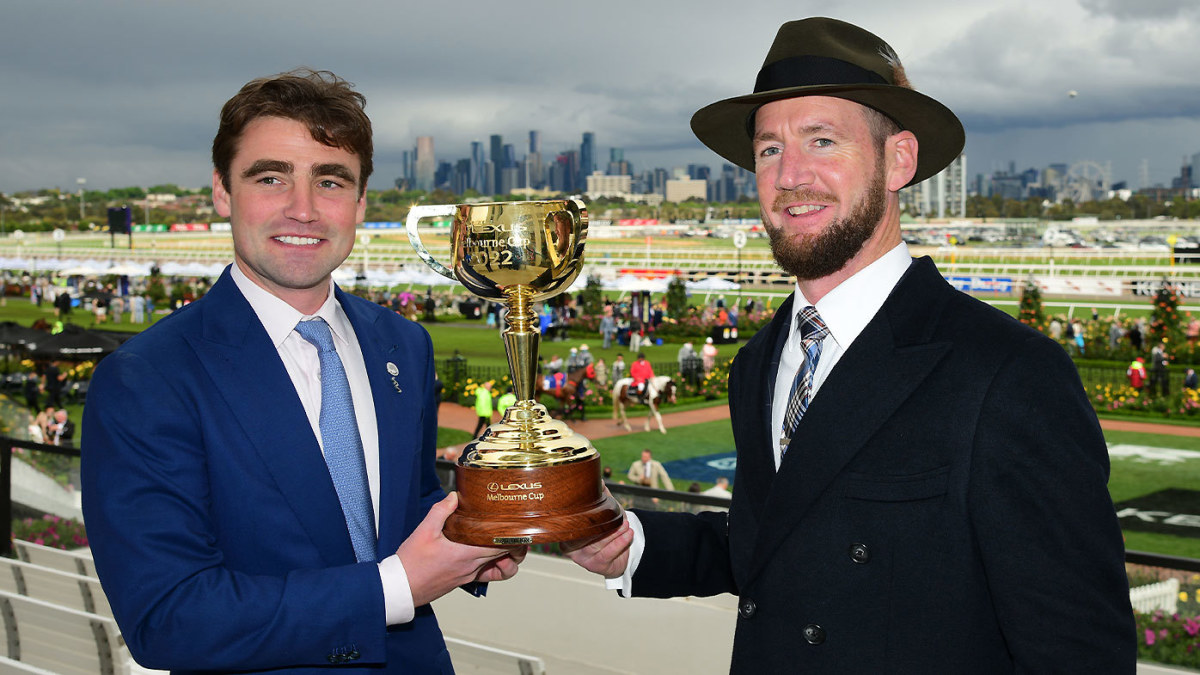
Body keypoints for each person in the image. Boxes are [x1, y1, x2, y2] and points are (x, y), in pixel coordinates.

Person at [564, 18, 1133, 671]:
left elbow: (1080, 652)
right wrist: (628, 541)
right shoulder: (759, 363)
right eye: (769, 149)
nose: (791, 175)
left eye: (823, 140)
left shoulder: (1007, 374)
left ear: (900, 160)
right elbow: (783, 537)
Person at [81, 69, 523, 674]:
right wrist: (397, 586)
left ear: (361, 202)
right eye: (271, 178)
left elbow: (399, 508)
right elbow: (169, 617)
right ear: (221, 191)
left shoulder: (402, 344)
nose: (303, 209)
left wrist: (474, 537)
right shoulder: (146, 378)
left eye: (331, 181)